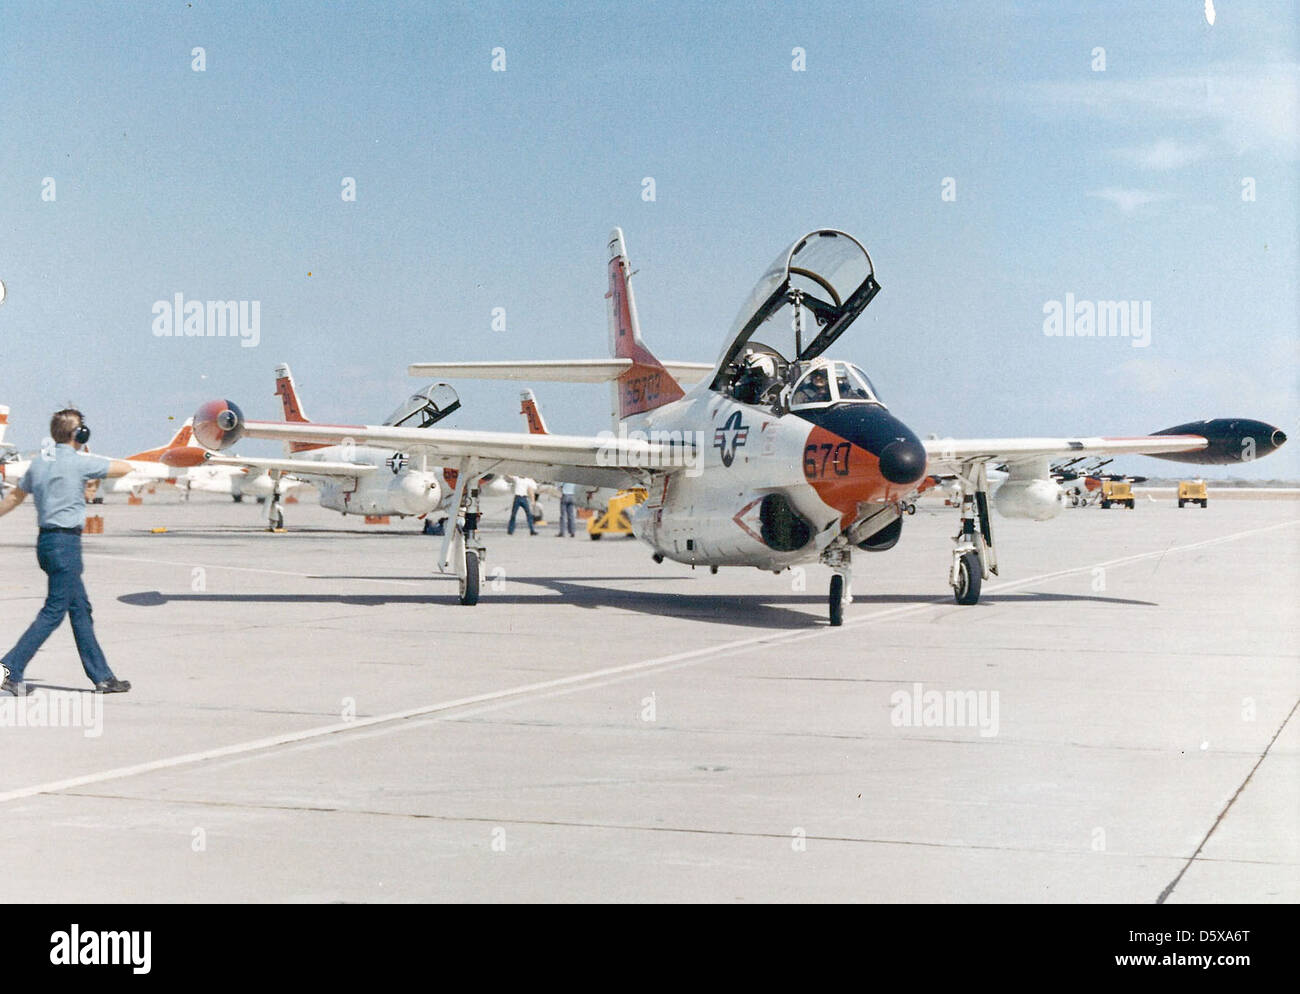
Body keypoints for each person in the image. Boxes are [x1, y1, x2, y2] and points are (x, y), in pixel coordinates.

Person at [0, 409, 134, 695]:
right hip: (66, 546)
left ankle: (103, 677)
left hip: (47, 544)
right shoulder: (78, 462)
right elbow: (125, 468)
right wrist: (90, 465)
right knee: (54, 610)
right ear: (79, 434)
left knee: (80, 608)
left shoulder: (38, 464)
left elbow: (13, 497)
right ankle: (8, 670)